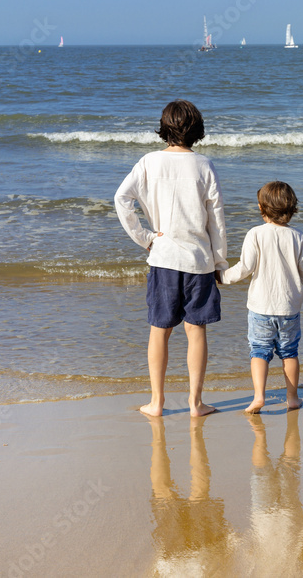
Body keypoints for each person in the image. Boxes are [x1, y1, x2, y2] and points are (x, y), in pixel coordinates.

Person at [115, 100, 227, 417]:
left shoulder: (149, 161)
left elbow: (121, 198)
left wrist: (145, 238)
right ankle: (195, 402)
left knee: (159, 330)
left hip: (163, 258)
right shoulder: (204, 165)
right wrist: (220, 261)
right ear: (197, 130)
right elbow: (216, 220)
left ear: (164, 129)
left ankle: (157, 402)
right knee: (196, 331)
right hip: (199, 261)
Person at [218, 181, 303, 413]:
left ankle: (259, 397)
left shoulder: (255, 234)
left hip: (261, 307)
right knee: (289, 353)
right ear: (292, 209)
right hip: (289, 308)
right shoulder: (298, 237)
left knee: (259, 351)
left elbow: (245, 268)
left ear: (262, 209)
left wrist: (222, 277)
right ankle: (292, 398)